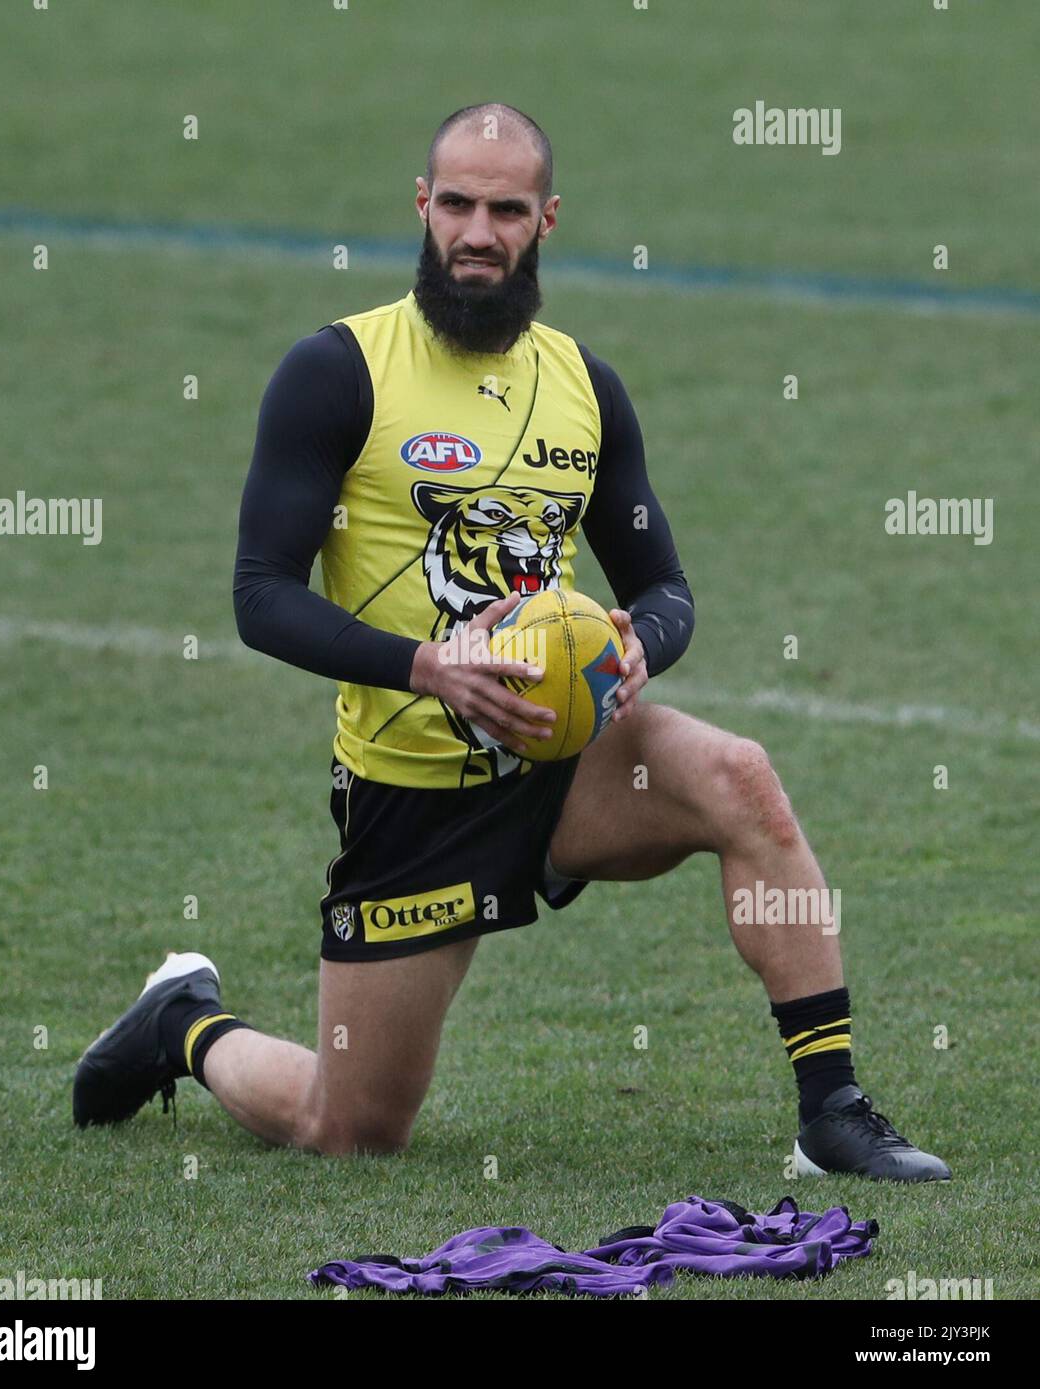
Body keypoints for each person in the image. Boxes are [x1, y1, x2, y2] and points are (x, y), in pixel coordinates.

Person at [74, 103, 949, 1182]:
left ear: (546, 220)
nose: (477, 233)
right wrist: (427, 666)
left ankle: (833, 1112)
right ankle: (184, 1022)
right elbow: (261, 595)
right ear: (422, 207)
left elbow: (664, 588)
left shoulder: (586, 387)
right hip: (412, 791)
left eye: (505, 209)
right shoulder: (338, 371)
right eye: (456, 205)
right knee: (351, 1127)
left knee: (743, 782)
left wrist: (642, 648)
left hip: (565, 759)